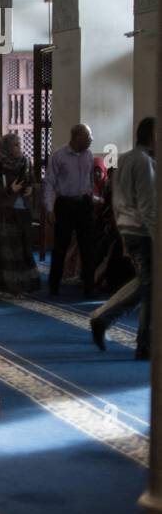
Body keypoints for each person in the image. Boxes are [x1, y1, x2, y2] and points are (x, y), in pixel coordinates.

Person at [90, 117, 155, 359]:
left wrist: (122, 231)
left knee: (146, 284)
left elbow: (116, 201)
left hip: (128, 229)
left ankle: (102, 318)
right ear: (152, 136)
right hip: (144, 232)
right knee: (151, 288)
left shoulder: (125, 159)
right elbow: (148, 205)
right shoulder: (144, 162)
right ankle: (144, 343)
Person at [43, 122, 99, 298]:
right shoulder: (59, 156)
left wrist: (92, 198)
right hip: (65, 205)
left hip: (84, 205)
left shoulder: (89, 155)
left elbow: (90, 181)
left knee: (88, 247)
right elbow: (49, 183)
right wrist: (49, 208)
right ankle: (54, 286)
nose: (91, 140)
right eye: (88, 137)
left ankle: (89, 287)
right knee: (61, 247)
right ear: (77, 137)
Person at [0, 132, 40, 294]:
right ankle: (8, 284)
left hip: (22, 210)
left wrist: (30, 188)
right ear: (8, 147)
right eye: (16, 145)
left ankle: (24, 282)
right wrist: (10, 189)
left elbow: (31, 180)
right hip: (4, 211)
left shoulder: (25, 161)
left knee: (22, 248)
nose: (19, 148)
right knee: (8, 249)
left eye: (19, 144)